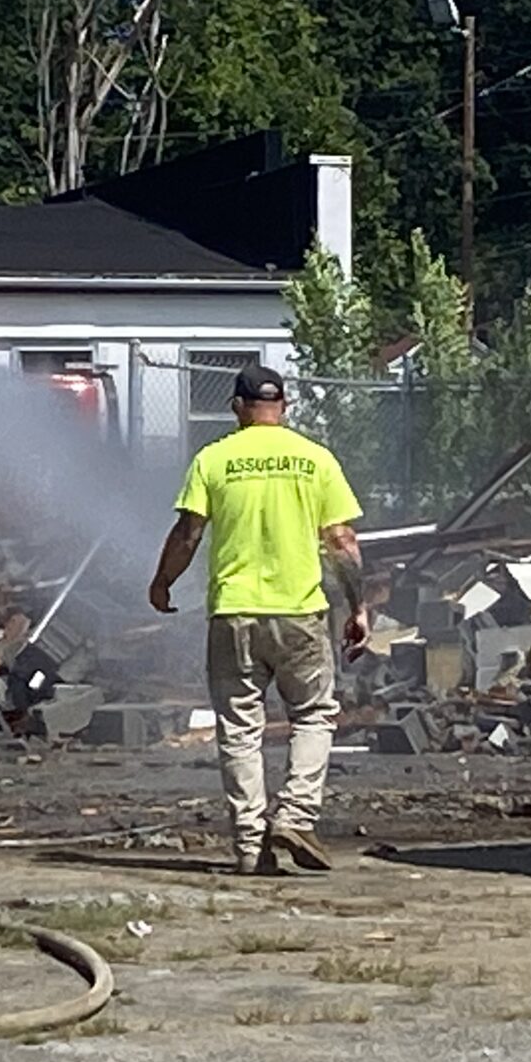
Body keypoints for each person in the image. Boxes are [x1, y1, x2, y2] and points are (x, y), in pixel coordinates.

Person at [148, 365, 366, 875]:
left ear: (237, 406)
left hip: (234, 612)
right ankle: (294, 814)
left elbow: (188, 534)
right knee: (313, 715)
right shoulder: (316, 460)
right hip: (301, 612)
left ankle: (249, 847)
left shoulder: (214, 459)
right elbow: (341, 543)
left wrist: (162, 582)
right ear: (284, 406)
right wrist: (357, 606)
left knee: (240, 729)